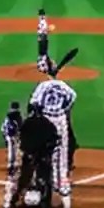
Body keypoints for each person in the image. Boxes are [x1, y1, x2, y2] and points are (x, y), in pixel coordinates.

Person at [30, 66, 77, 197]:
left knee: (40, 150)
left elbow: (34, 102)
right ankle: (62, 184)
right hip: (60, 119)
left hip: (45, 120)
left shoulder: (42, 86)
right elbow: (72, 97)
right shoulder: (63, 86)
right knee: (62, 151)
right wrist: (64, 108)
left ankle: (37, 179)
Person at [5, 103, 59, 208]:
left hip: (30, 156)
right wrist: (47, 152)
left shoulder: (28, 123)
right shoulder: (47, 123)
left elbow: (22, 139)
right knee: (46, 181)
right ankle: (46, 206)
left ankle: (13, 202)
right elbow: (55, 139)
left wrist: (28, 152)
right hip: (44, 156)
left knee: (24, 179)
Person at [1, 101, 22, 178]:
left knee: (12, 150)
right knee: (14, 150)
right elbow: (19, 127)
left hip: (8, 134)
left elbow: (3, 127)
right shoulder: (16, 115)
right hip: (13, 135)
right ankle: (11, 167)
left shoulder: (9, 115)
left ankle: (12, 165)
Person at [36, 8, 54, 73]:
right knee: (44, 53)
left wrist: (48, 30)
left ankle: (44, 68)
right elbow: (45, 30)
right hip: (43, 38)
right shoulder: (43, 22)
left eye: (39, 15)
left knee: (43, 53)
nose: (38, 16)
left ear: (41, 15)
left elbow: (43, 31)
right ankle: (48, 66)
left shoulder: (42, 22)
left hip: (42, 39)